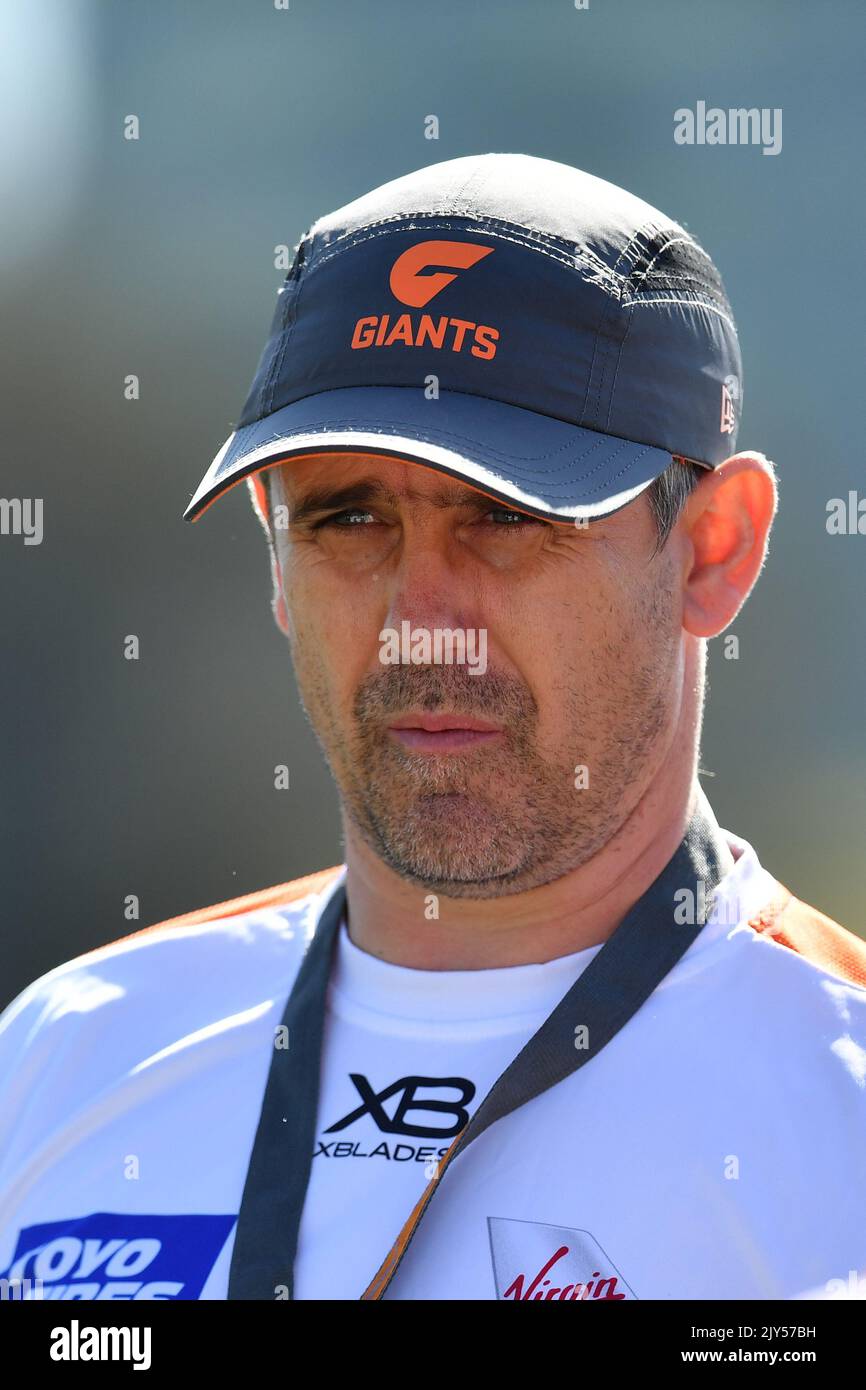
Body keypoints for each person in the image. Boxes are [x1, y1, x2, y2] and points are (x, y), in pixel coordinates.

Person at [2, 153, 864, 1303]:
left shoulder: (837, 1103)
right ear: (273, 556)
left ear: (714, 547)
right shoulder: (63, 1055)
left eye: (506, 519)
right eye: (346, 518)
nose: (421, 624)